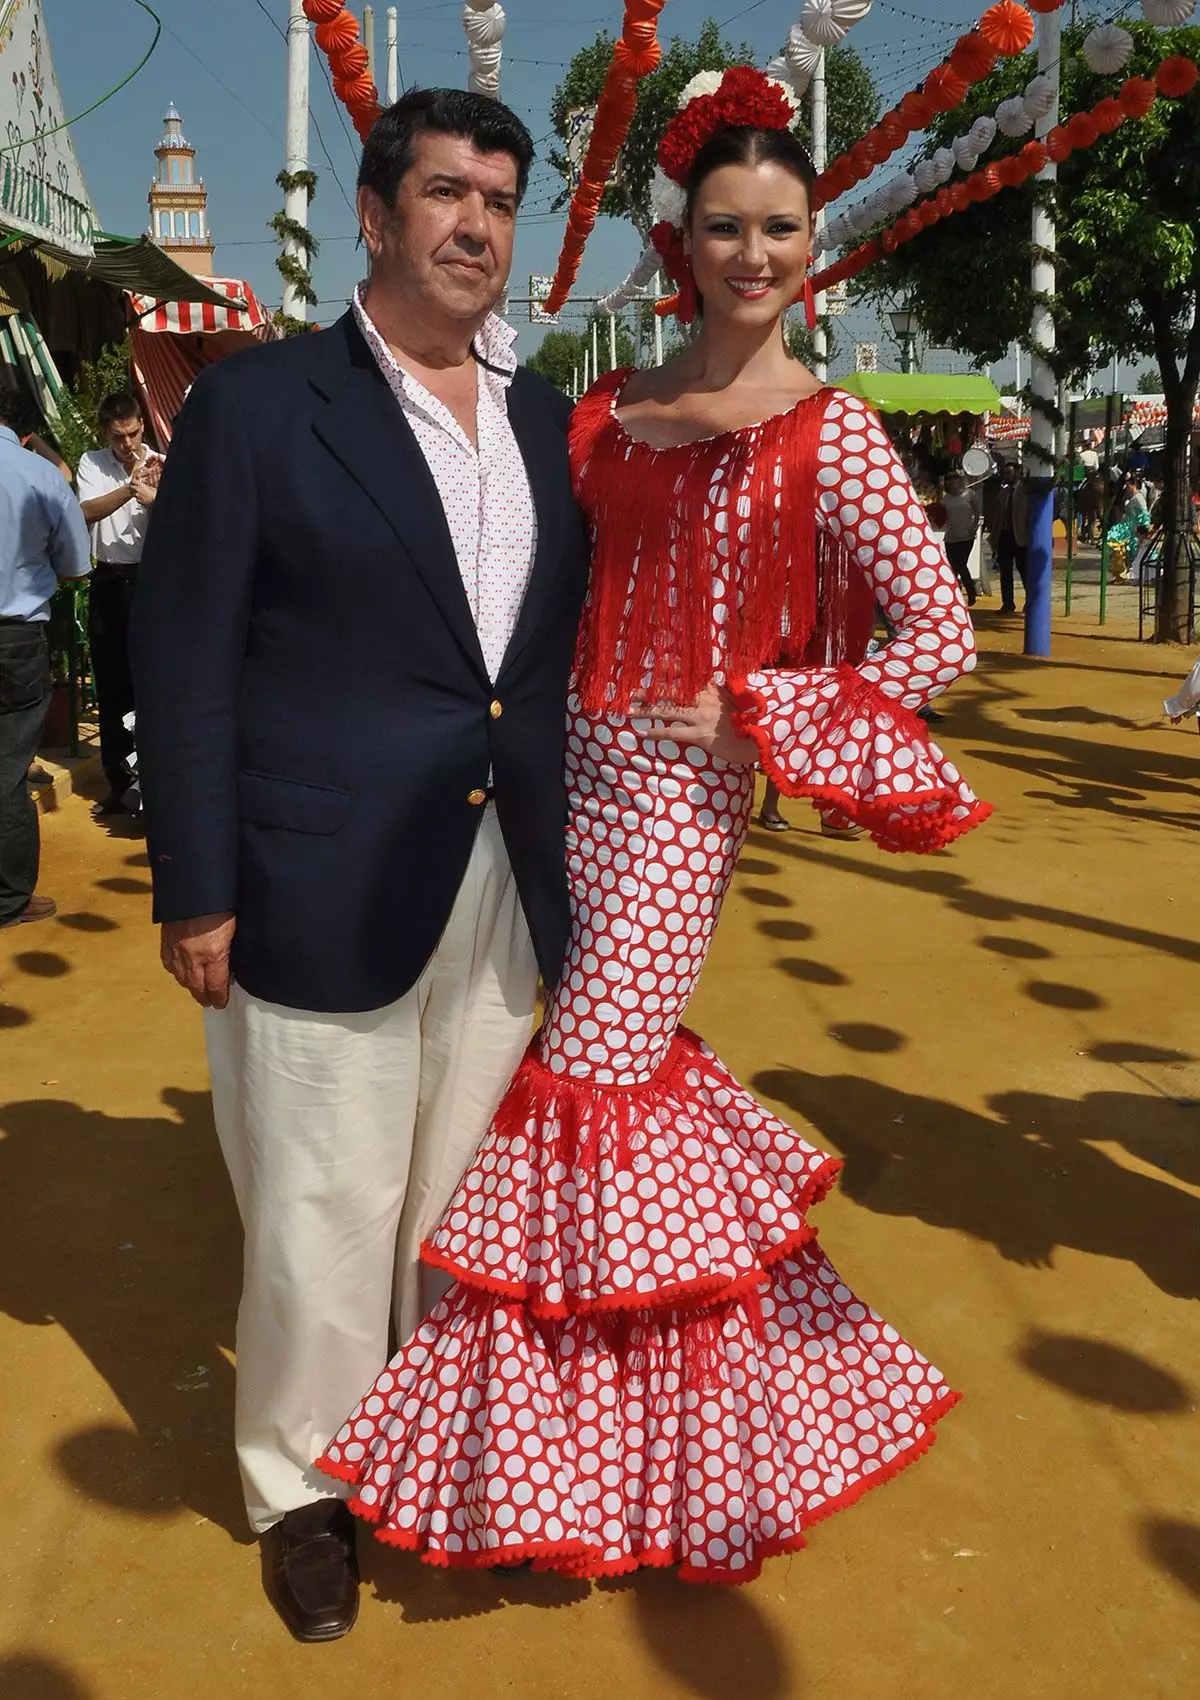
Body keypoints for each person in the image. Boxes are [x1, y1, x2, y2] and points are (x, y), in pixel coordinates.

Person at [318, 67, 989, 1588]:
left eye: (784, 231)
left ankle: (561, 1458)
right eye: (728, 228)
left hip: (683, 808)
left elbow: (937, 633)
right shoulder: (605, 412)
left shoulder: (840, 432)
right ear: (679, 241)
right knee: (526, 1066)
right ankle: (615, 1442)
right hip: (549, 773)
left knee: (593, 1086)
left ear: (812, 246)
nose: (756, 256)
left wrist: (767, 711)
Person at [131, 88, 588, 1642]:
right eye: (448, 193)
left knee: (462, 1204)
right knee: (323, 1204)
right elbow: (182, 656)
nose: (478, 225)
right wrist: (194, 879)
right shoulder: (263, 409)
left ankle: (440, 1460)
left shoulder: (543, 420)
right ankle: (305, 1487)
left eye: (502, 200)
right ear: (378, 218)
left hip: (507, 870)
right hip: (313, 868)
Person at [0, 387, 91, 927]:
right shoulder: (41, 476)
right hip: (15, 639)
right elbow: (77, 564)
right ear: (28, 431)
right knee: (9, 768)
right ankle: (9, 898)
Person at [76, 394, 162, 815]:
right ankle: (119, 784)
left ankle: (156, 783)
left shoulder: (162, 461)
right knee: (112, 688)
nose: (128, 445)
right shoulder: (93, 463)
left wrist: (157, 497)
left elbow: (186, 518)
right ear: (105, 434)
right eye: (118, 437)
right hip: (110, 579)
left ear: (142, 425)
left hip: (153, 581)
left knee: (155, 682)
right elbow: (86, 511)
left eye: (133, 434)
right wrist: (130, 489)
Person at [984, 459, 1027, 613]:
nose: (1006, 476)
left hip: (1021, 537)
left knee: (1025, 571)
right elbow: (998, 517)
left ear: (1017, 472)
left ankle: (1030, 602)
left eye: (1009, 473)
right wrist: (994, 537)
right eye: (1004, 473)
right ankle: (1008, 603)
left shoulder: (1025, 491)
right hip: (1005, 536)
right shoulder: (1003, 493)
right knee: (1005, 572)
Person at [941, 470, 980, 606]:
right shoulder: (945, 499)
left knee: (961, 564)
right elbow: (941, 518)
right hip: (951, 537)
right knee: (953, 568)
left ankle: (971, 591)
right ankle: (955, 594)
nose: (952, 481)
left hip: (966, 536)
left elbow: (977, 513)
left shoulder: (970, 494)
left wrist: (973, 528)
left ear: (959, 480)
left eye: (954, 478)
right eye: (949, 479)